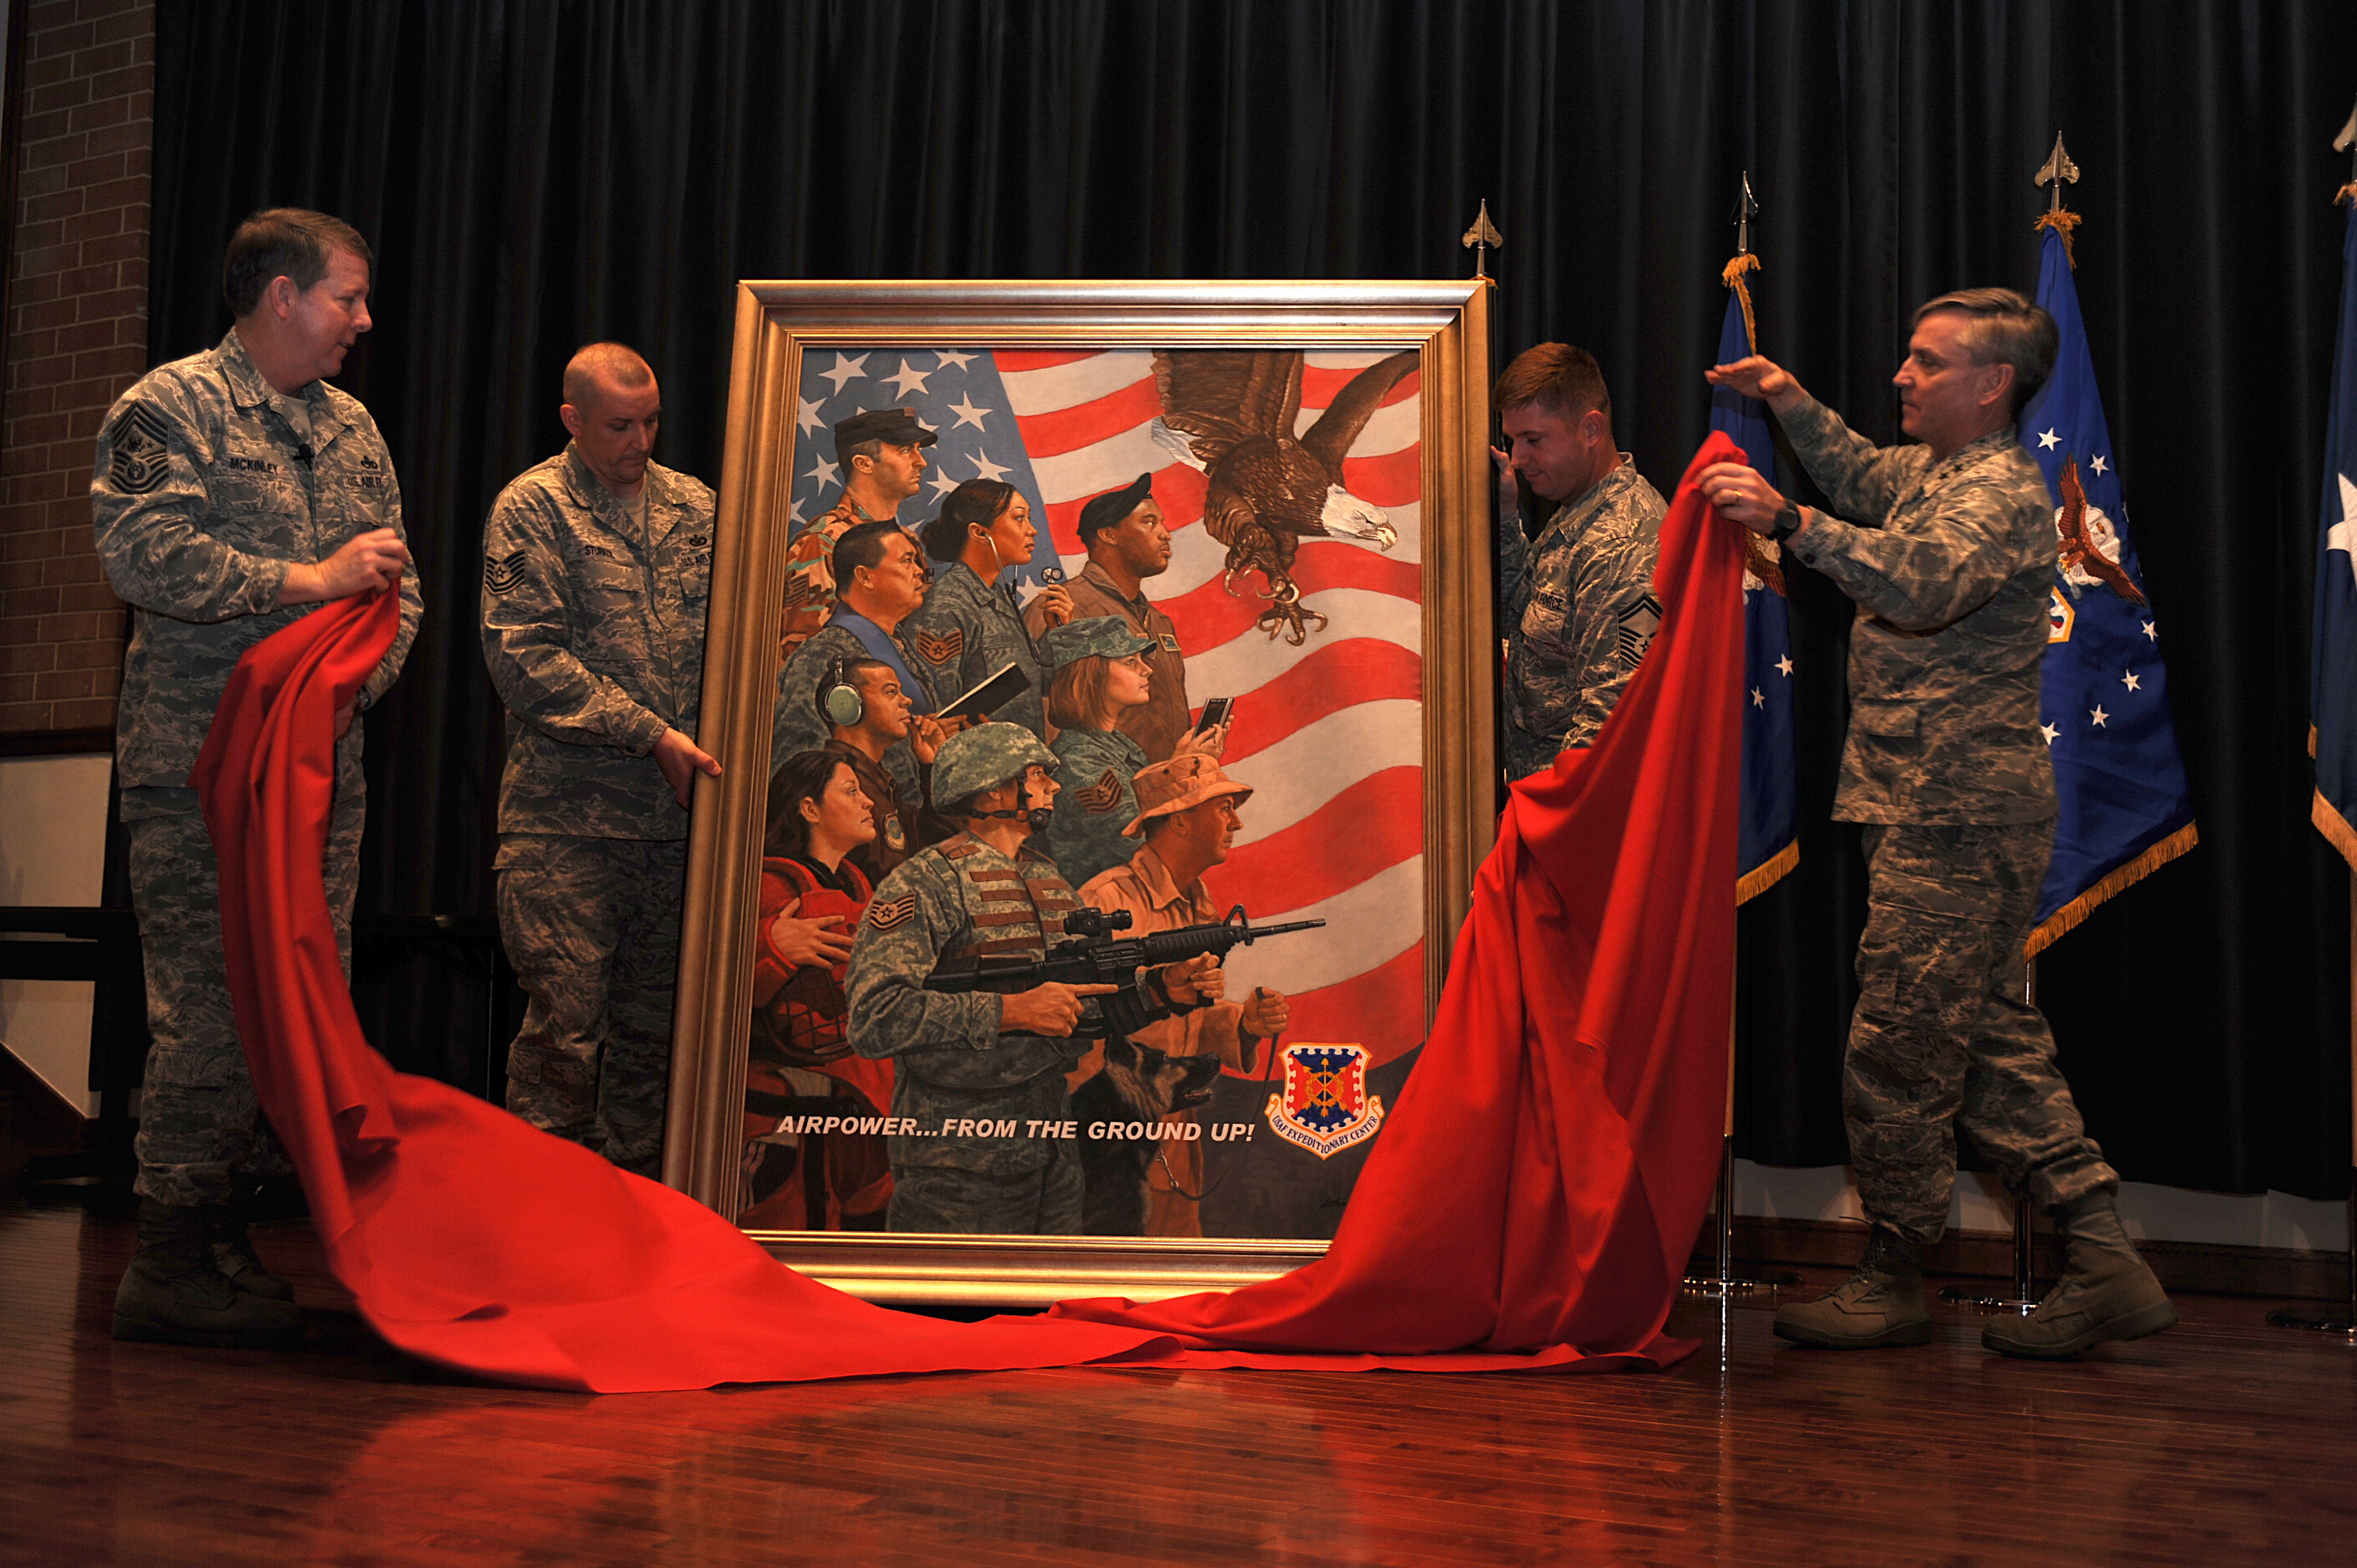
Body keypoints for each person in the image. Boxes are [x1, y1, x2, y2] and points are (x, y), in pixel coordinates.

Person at [1701, 287, 2176, 1359]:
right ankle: (2105, 1257)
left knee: (1899, 1048)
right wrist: (1786, 396)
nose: (1901, 377)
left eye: (1925, 362)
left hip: (1954, 813)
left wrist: (1788, 522)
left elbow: (1918, 582)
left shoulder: (2000, 493)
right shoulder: (1936, 474)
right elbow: (1863, 475)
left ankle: (1894, 1271)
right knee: (1989, 1038)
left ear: (1992, 383)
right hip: (1931, 803)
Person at [93, 208, 421, 1346]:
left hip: (316, 772)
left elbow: (397, 588)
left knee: (291, 1000)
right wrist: (308, 580)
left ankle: (227, 1230)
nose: (362, 320)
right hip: (201, 768)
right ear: (283, 296)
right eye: (348, 297)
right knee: (211, 1004)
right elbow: (142, 554)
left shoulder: (353, 426)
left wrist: (345, 691)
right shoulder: (169, 406)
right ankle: (169, 1254)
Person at [481, 342, 725, 1178]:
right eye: (620, 425)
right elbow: (524, 658)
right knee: (566, 1040)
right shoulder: (534, 508)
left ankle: (639, 1227)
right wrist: (650, 734)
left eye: (652, 421)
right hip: (569, 830)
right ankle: (544, 1230)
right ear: (573, 419)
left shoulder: (697, 507)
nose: (641, 441)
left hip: (680, 833)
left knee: (658, 1047)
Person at [844, 723, 1115, 1234]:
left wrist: (1165, 991)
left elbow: (1084, 994)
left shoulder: (1048, 878)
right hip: (957, 1162)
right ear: (994, 790)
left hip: (1053, 1149)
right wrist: (1012, 1012)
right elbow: (874, 1017)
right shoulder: (926, 881)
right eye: (1038, 775)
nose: (1054, 786)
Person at [1078, 754, 1292, 1236]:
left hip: (1173, 1139)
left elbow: (1188, 1022)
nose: (1236, 822)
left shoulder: (1197, 902)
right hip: (1112, 1144)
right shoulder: (1108, 901)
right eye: (1223, 809)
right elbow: (1077, 1026)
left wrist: (1243, 1025)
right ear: (1179, 821)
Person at [1489, 343, 1667, 782]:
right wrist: (1506, 518)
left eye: (1533, 440)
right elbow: (1517, 614)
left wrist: (1542, 809)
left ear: (1590, 430)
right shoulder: (1579, 511)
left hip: (1571, 806)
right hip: (1536, 792)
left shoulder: (1625, 545)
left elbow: (1612, 724)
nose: (1518, 459)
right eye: (1513, 441)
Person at [740, 750, 894, 1230]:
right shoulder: (767, 885)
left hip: (861, 1110)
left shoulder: (860, 888)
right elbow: (716, 991)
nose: (868, 802)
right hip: (782, 1114)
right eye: (851, 792)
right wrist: (772, 946)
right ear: (809, 809)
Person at [1036, 616, 1223, 890]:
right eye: (1130, 663)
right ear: (1092, 676)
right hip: (1107, 906)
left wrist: (1179, 763)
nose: (1147, 670)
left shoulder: (1115, 744)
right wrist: (1187, 768)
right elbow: (1149, 848)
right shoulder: (1080, 761)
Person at [773, 520, 939, 808]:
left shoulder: (898, 644)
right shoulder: (823, 656)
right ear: (865, 576)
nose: (919, 571)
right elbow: (797, 767)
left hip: (911, 817)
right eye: (907, 561)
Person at [901, 478, 1069, 739]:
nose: (1033, 531)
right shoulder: (946, 607)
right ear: (980, 533)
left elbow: (1039, 683)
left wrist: (1055, 632)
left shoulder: (999, 596)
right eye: (1019, 518)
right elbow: (939, 716)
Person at [779, 407, 935, 662]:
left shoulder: (908, 539)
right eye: (906, 451)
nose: (921, 462)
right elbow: (802, 653)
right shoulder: (823, 541)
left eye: (918, 450)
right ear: (864, 464)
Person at [1058, 473, 1194, 762]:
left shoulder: (1159, 622)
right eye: (1149, 523)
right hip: (1107, 781)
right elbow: (1049, 711)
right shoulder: (1067, 607)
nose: (1166, 534)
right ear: (1109, 535)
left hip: (1166, 778)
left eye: (1161, 523)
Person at [819, 656, 948, 886]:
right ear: (846, 706)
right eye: (890, 692)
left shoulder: (880, 784)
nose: (906, 701)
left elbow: (937, 845)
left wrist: (933, 766)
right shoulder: (829, 781)